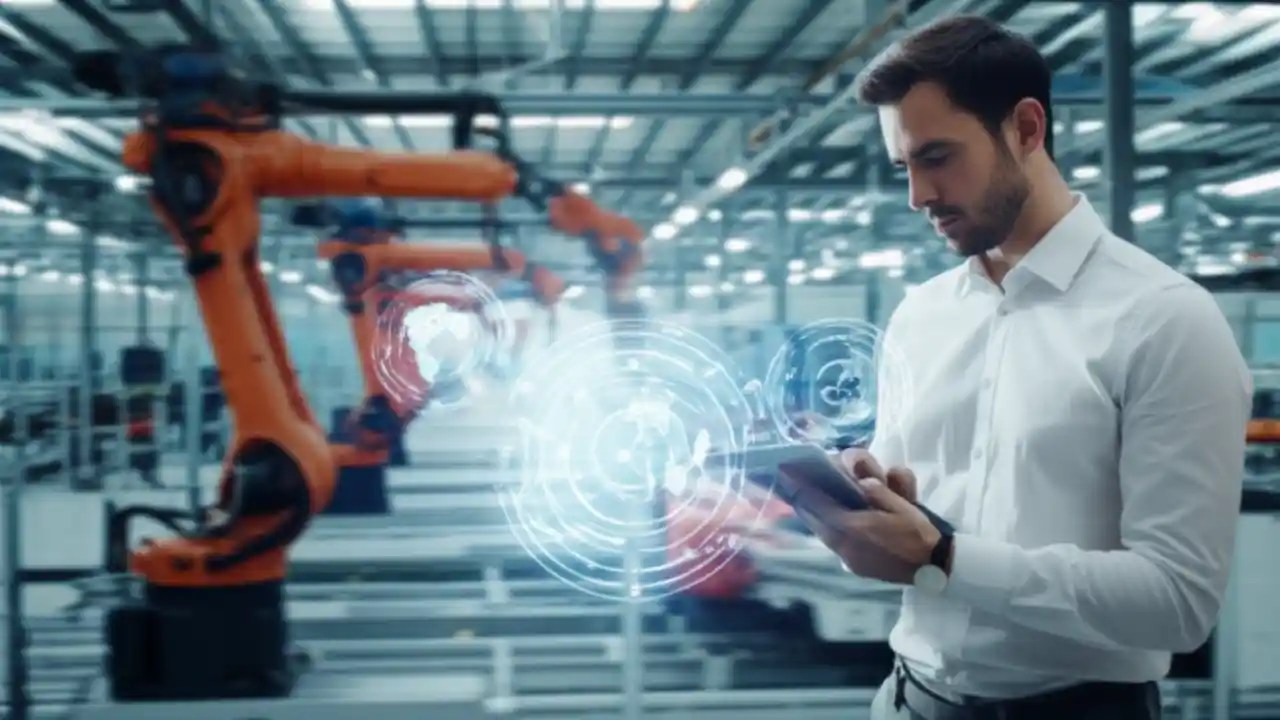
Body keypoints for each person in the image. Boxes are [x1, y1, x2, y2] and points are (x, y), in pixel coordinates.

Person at [788, 14, 1252, 720]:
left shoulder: (1165, 320)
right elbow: (906, 536)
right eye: (904, 167)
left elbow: (1178, 605)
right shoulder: (921, 315)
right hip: (908, 699)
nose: (918, 196)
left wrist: (946, 557)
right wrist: (866, 506)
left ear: (1027, 129)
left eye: (937, 156)